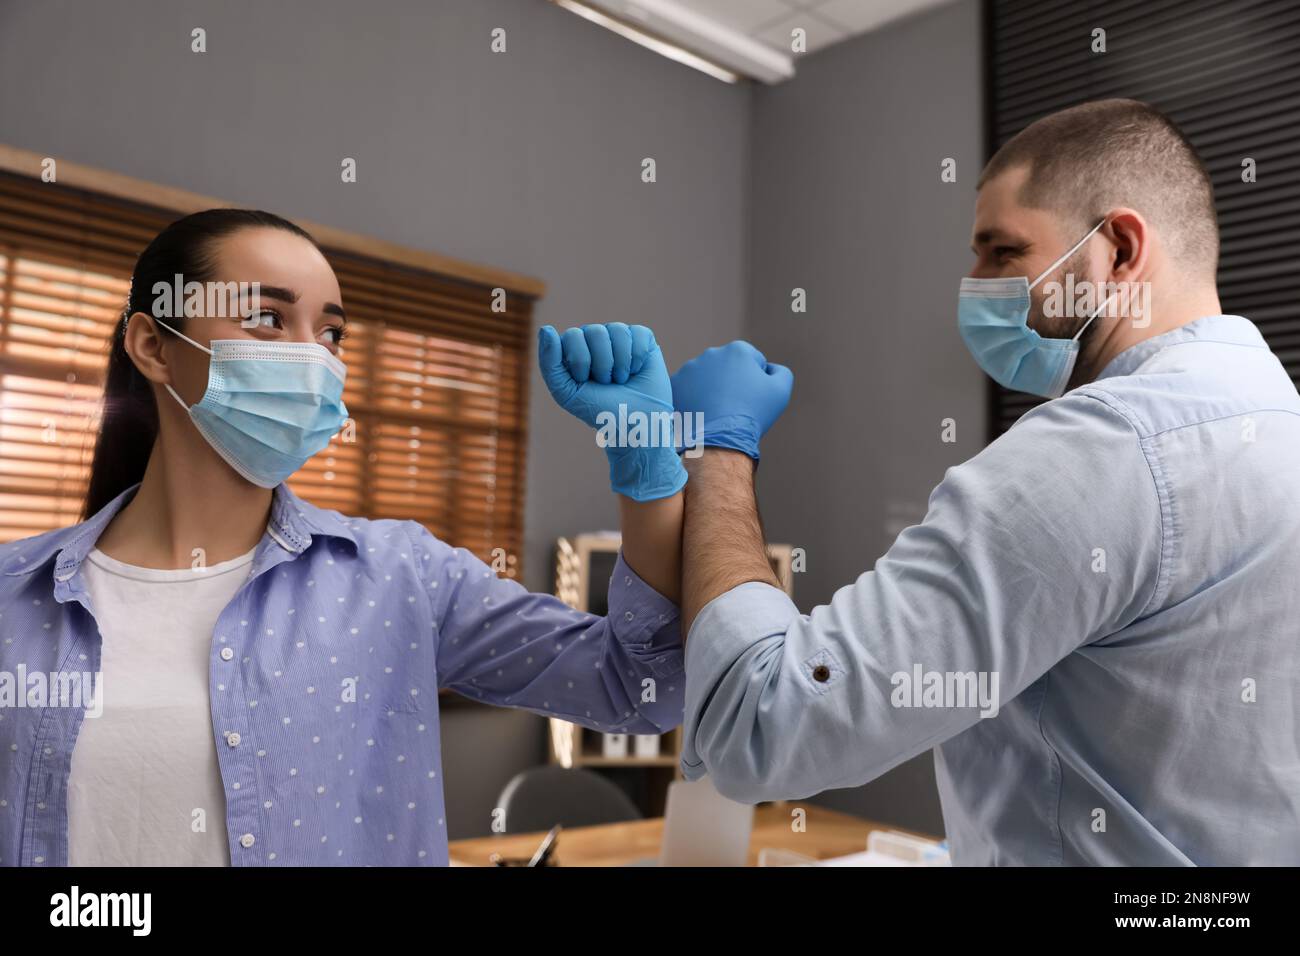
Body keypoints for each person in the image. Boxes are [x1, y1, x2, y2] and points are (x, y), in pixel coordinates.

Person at [671, 98, 1300, 865]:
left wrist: (717, 451)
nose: (974, 285)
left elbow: (764, 726)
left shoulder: (1101, 453)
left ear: (1120, 251)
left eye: (1002, 252)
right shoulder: (1277, 426)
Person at [0, 208, 687, 866]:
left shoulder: (399, 577)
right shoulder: (12, 596)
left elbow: (636, 688)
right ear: (154, 347)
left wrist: (648, 466)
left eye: (331, 334)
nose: (312, 358)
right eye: (267, 319)